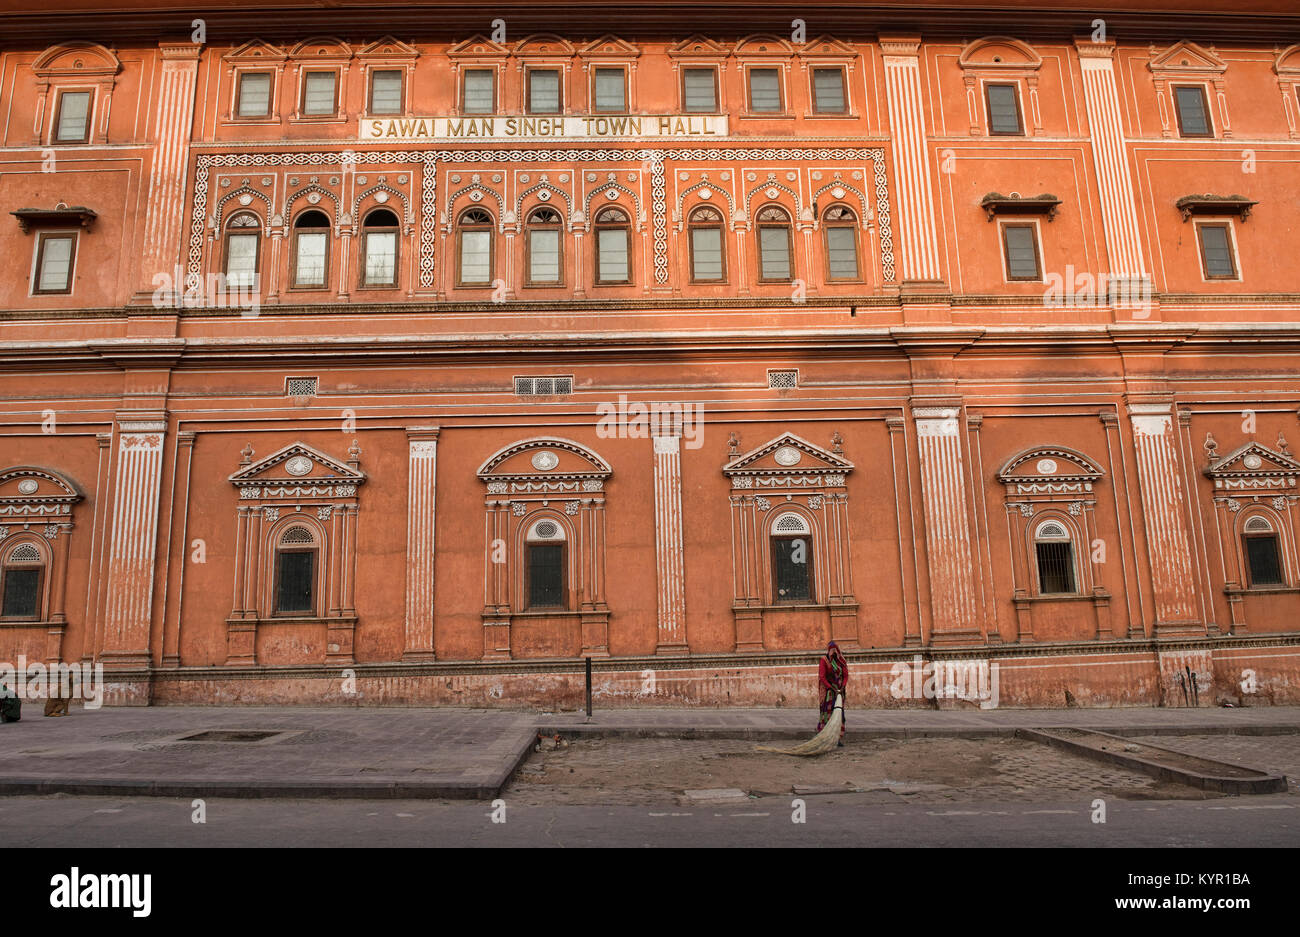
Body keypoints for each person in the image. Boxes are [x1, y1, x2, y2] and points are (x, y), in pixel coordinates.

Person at [818, 640, 848, 746]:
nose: (833, 652)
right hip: (829, 693)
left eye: (835, 650)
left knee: (839, 714)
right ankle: (825, 737)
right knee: (828, 714)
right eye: (832, 650)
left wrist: (842, 686)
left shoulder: (841, 661)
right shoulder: (824, 660)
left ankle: (837, 737)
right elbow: (822, 676)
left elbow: (845, 675)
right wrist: (831, 688)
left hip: (839, 692)